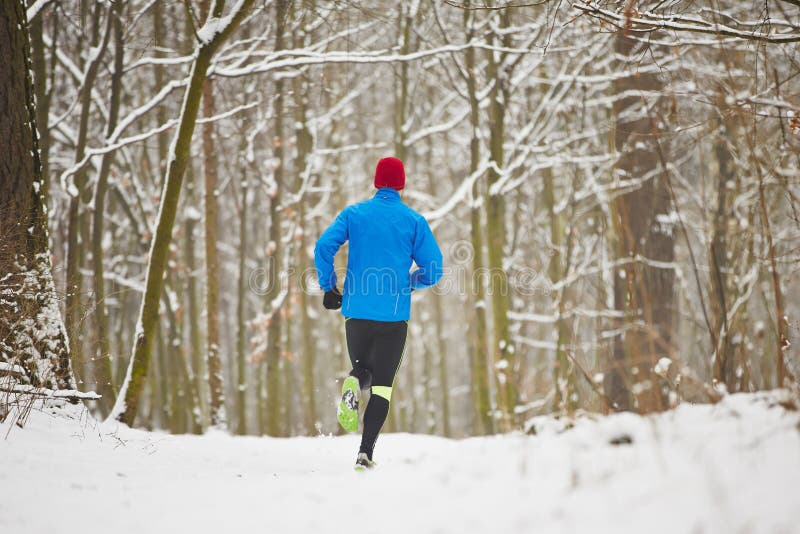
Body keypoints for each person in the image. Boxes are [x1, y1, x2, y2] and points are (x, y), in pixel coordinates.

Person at [314, 157, 443, 470]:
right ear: (401, 184)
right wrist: (410, 282)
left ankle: (354, 380)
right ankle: (364, 454)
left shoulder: (353, 214)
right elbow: (434, 269)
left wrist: (329, 286)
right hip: (393, 317)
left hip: (356, 311)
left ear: (376, 182)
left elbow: (323, 246)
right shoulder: (414, 221)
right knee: (382, 386)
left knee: (363, 370)